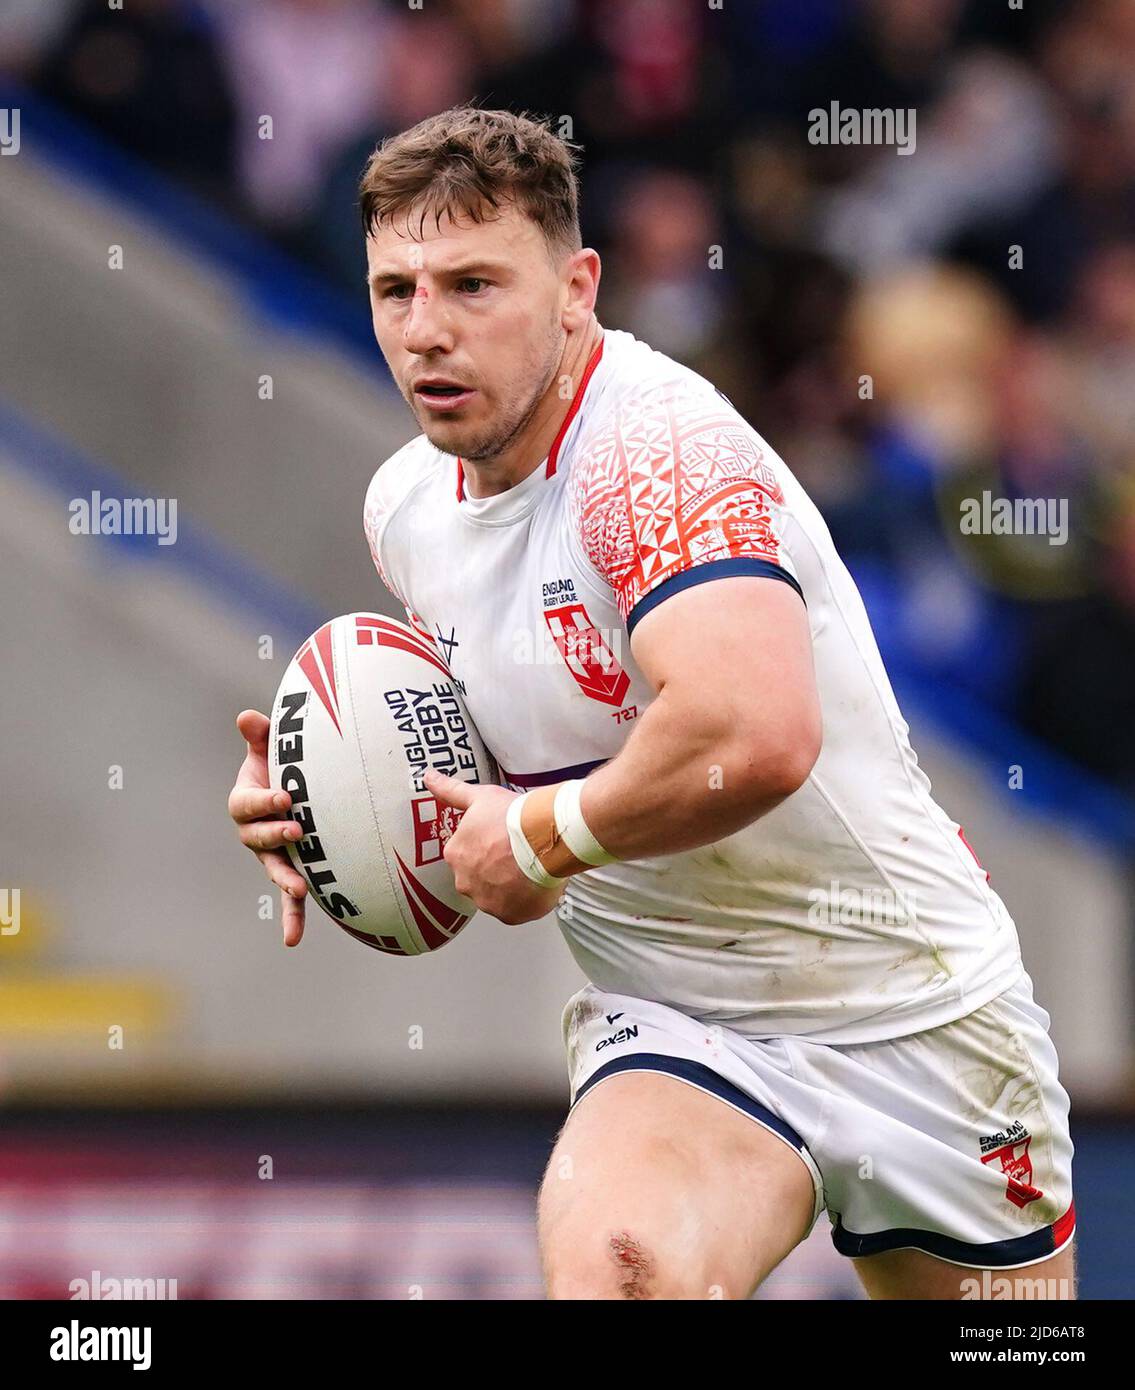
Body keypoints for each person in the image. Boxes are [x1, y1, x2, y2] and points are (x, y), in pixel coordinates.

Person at [227, 106, 1075, 1301]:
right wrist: (315, 798)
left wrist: (545, 836)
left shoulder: (657, 451)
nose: (426, 330)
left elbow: (758, 733)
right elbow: (477, 721)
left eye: (473, 283)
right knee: (625, 1273)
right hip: (679, 1020)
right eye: (395, 290)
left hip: (918, 1012)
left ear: (578, 288)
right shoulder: (404, 510)